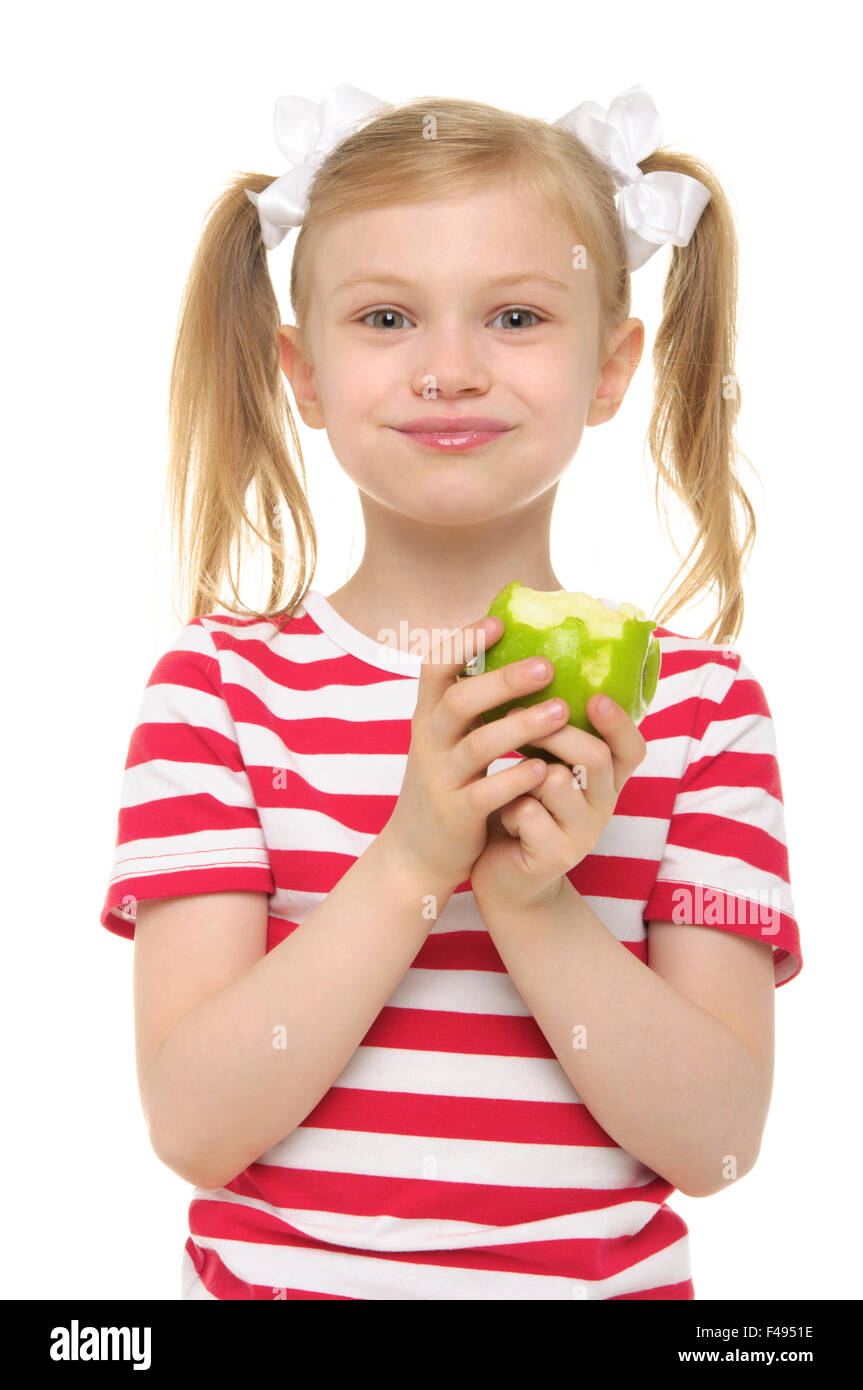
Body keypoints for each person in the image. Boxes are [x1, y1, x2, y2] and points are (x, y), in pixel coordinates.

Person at [100, 83, 802, 1300]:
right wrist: (415, 861)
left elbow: (718, 1142)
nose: (448, 369)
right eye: (384, 316)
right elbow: (193, 1128)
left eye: (516, 315)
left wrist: (532, 903)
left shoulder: (695, 712)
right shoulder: (218, 694)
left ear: (608, 366)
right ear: (302, 374)